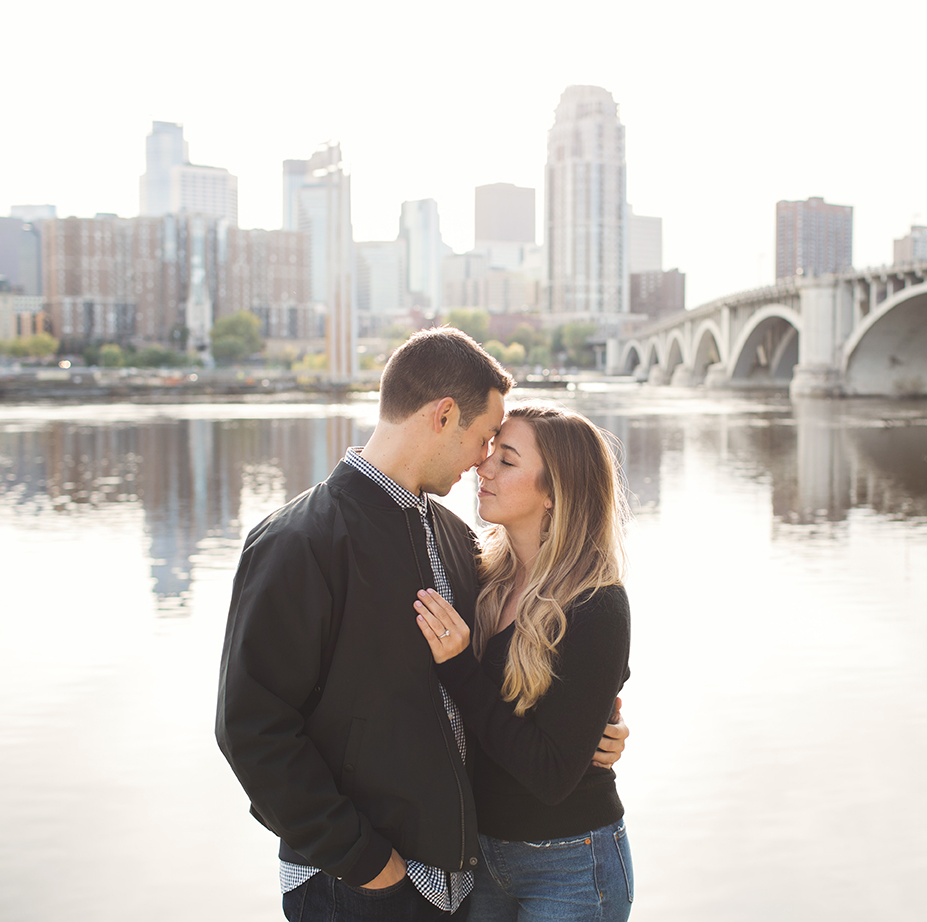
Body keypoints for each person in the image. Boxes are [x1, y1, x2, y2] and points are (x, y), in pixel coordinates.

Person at [215, 329, 628, 922]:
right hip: (354, 883)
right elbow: (250, 728)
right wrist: (365, 862)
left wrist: (596, 726)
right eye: (486, 438)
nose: (482, 459)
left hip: (455, 882)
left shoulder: (460, 541)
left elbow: (528, 665)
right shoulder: (298, 541)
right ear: (443, 416)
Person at [413, 404, 634, 922]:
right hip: (481, 858)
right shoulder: (477, 574)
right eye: (491, 453)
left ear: (554, 491)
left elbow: (552, 774)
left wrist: (459, 668)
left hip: (572, 865)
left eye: (507, 461)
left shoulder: (596, 604)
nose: (483, 469)